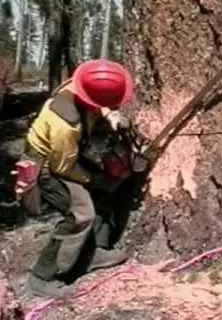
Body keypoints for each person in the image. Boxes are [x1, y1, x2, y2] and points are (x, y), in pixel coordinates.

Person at [12, 59, 141, 298]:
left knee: (109, 186)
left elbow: (94, 100)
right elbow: (63, 168)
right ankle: (41, 278)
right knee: (81, 214)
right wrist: (93, 179)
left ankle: (92, 252)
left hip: (66, 155)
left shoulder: (79, 86)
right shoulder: (66, 124)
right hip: (48, 165)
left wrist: (110, 115)